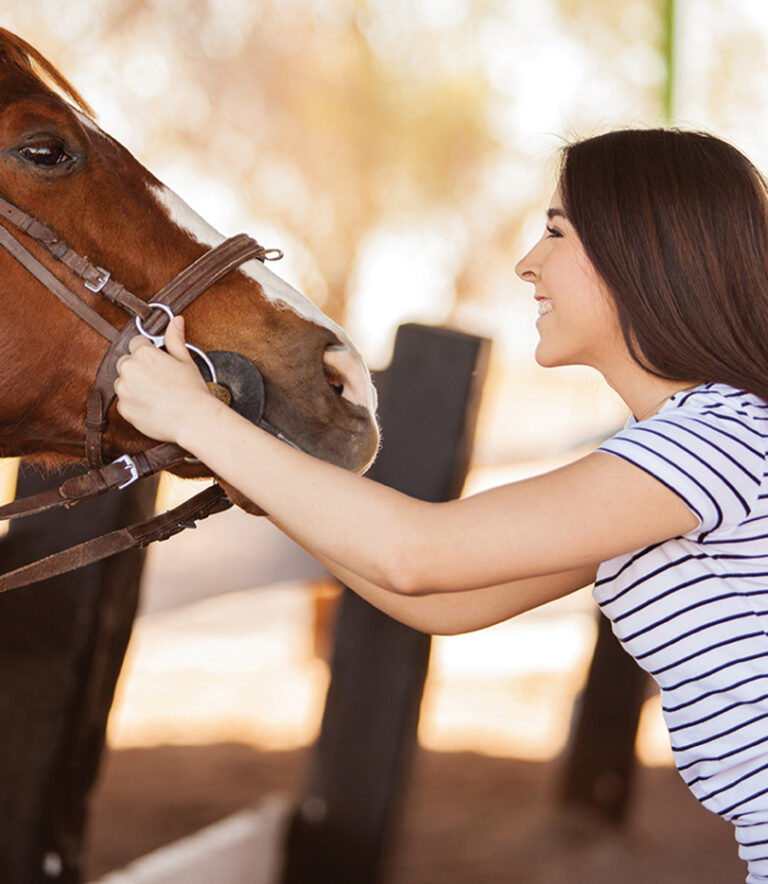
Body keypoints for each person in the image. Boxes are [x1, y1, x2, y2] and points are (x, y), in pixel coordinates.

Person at [115, 128, 768, 883]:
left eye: (556, 231)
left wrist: (199, 421)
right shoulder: (691, 450)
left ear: (642, 250)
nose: (528, 263)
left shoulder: (719, 439)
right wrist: (251, 467)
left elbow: (420, 555)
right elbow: (442, 602)